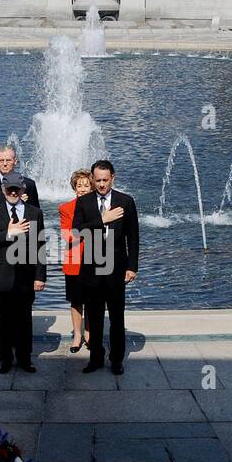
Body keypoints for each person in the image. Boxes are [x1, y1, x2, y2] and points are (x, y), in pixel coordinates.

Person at [72, 159, 138, 376]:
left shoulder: (125, 201)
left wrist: (132, 266)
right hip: (91, 268)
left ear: (113, 178)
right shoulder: (85, 202)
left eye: (105, 180)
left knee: (117, 317)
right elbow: (77, 232)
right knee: (95, 316)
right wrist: (103, 219)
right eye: (97, 180)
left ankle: (117, 359)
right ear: (92, 179)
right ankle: (96, 358)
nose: (101, 184)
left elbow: (133, 237)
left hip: (116, 267)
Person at [0, 173, 45, 374]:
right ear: (3, 190)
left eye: (17, 189)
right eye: (10, 189)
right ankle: (5, 360)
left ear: (23, 190)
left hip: (25, 275)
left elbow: (40, 245)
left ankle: (25, 360)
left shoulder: (34, 213)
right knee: (3, 321)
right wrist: (8, 234)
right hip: (1, 275)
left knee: (24, 319)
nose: (14, 192)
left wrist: (40, 276)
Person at [0, 145, 38, 351]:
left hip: (23, 252)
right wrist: (8, 224)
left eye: (8, 160)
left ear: (16, 161)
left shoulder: (28, 185)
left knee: (23, 297)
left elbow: (36, 218)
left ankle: (21, 339)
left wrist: (24, 205)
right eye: (1, 160)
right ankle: (2, 336)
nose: (5, 164)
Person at [58, 169, 93, 354]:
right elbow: (67, 235)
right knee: (76, 300)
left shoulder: (99, 207)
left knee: (92, 300)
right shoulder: (66, 208)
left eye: (86, 185)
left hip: (96, 260)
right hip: (74, 260)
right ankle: (77, 336)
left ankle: (89, 334)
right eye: (79, 185)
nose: (82, 189)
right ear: (74, 187)